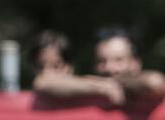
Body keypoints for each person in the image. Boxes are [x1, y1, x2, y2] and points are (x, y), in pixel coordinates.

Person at [32, 26, 165, 105]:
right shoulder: (89, 89)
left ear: (135, 63)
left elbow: (154, 83)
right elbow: (42, 82)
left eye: (118, 60)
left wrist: (117, 84)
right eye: (102, 61)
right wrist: (100, 88)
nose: (109, 68)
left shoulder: (144, 85)